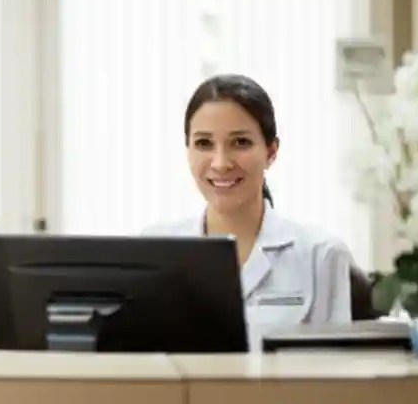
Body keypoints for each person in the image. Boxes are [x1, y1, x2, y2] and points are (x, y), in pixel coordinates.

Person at [143, 73, 356, 328]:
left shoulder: (321, 254)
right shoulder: (153, 250)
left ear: (271, 152)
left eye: (240, 142)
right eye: (204, 143)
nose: (221, 163)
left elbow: (336, 364)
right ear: (187, 150)